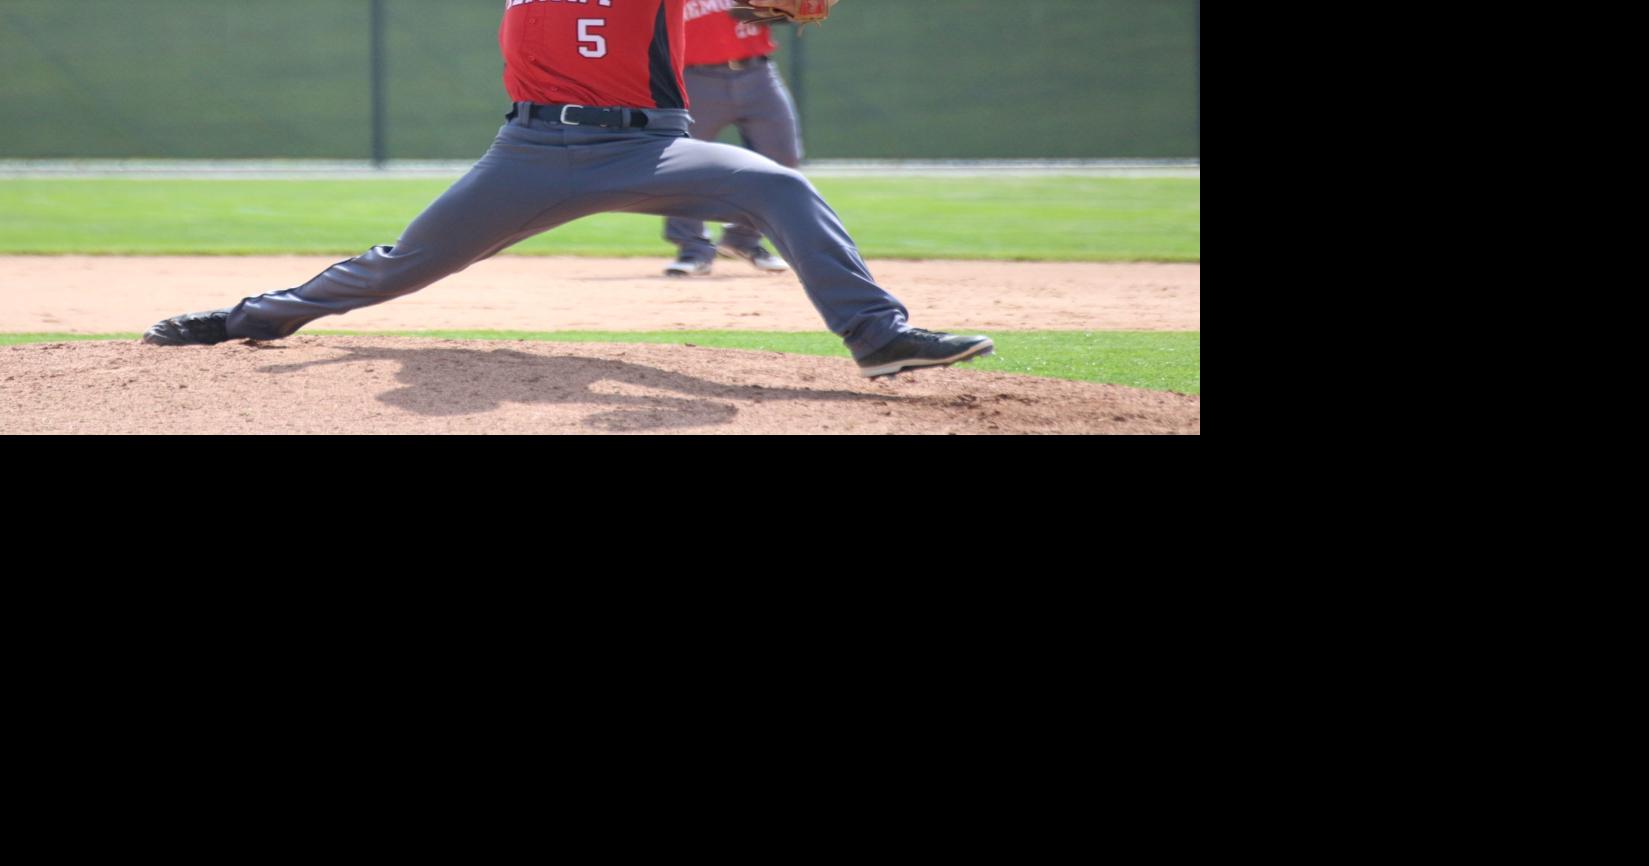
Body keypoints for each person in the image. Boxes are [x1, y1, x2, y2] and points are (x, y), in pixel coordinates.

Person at [142, 0, 993, 380]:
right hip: (528, 153)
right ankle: (248, 318)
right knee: (400, 267)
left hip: (655, 149)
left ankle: (876, 337)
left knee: (778, 186)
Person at [662, 2, 801, 278]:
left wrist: (787, 8)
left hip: (758, 72)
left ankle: (742, 238)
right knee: (683, 164)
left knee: (783, 157)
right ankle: (693, 249)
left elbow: (782, 11)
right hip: (694, 76)